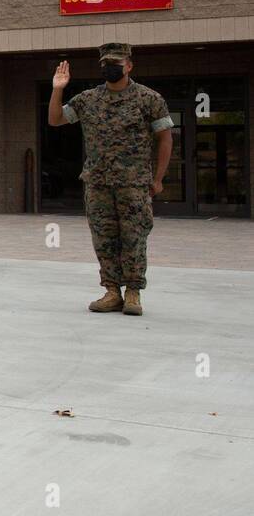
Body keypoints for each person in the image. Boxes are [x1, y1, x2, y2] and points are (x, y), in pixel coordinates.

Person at [48, 44, 173, 316]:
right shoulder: (88, 99)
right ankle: (112, 291)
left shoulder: (149, 99)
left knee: (134, 237)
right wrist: (58, 88)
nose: (110, 67)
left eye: (116, 62)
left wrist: (159, 177)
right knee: (104, 239)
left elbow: (165, 138)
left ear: (129, 66)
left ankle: (133, 293)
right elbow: (56, 119)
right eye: (105, 63)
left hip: (134, 183)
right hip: (98, 183)